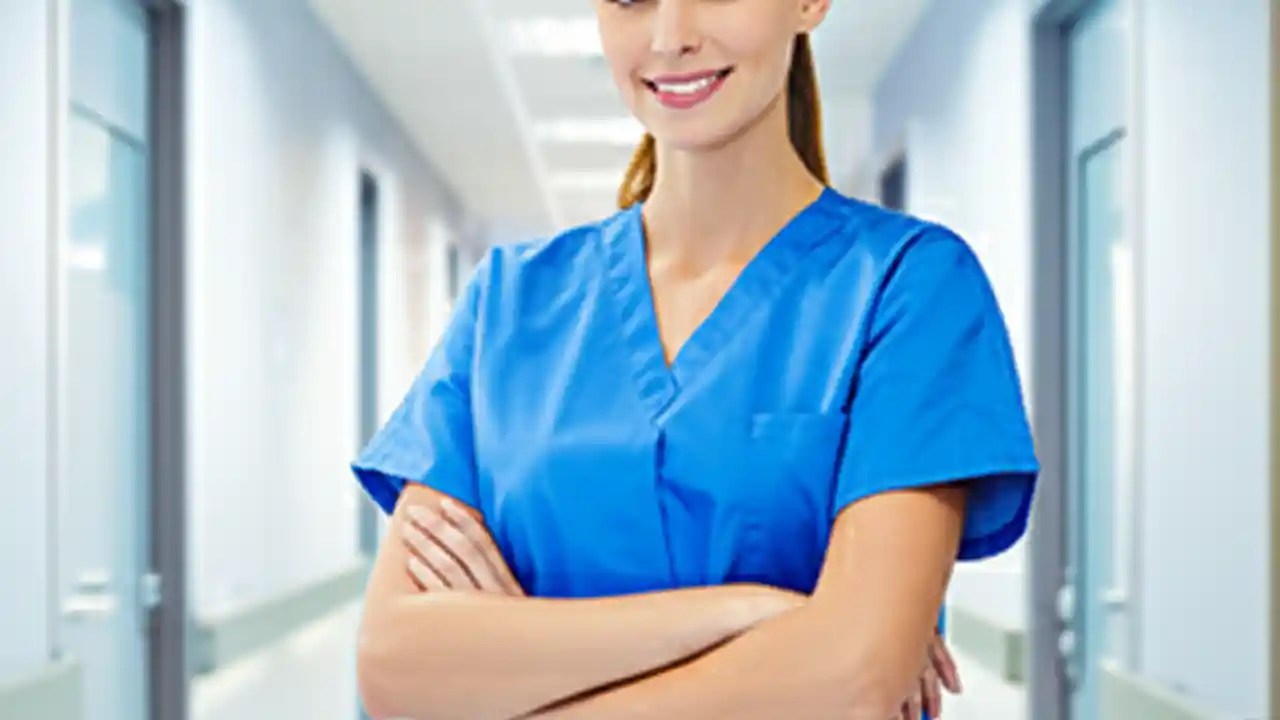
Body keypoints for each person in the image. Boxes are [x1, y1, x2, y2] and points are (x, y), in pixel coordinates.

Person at [350, 1, 1039, 718]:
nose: (671, 36)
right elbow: (394, 665)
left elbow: (855, 678)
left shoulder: (909, 285)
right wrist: (745, 611)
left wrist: (506, 677)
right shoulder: (508, 303)